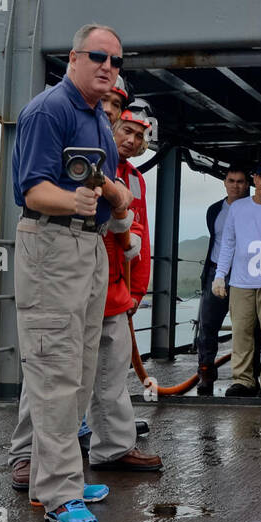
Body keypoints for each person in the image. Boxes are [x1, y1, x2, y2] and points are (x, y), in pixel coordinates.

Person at [8, 22, 134, 522]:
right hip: (53, 244)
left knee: (79, 369)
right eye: (98, 56)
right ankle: (60, 493)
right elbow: (32, 189)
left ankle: (54, 479)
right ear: (73, 59)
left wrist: (113, 192)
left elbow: (99, 178)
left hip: (89, 244)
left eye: (116, 61)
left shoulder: (96, 116)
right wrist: (76, 200)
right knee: (54, 371)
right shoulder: (49, 110)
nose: (108, 67)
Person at [85, 101, 162, 474]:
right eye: (126, 131)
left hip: (116, 286)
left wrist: (137, 291)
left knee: (112, 369)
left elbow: (140, 235)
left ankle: (113, 448)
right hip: (82, 280)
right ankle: (30, 454)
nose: (131, 140)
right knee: (58, 371)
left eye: (139, 135)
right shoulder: (90, 163)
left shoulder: (134, 178)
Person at [212, 160, 261, 397]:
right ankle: (243, 380)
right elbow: (228, 242)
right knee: (241, 332)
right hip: (241, 281)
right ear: (254, 179)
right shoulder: (238, 208)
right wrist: (220, 275)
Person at [196, 165, 249, 394]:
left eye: (240, 181)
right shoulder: (214, 210)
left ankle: (248, 376)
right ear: (225, 183)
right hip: (216, 272)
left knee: (247, 326)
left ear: (247, 185)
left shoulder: (252, 209)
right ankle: (205, 374)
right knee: (208, 325)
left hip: (243, 274)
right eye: (231, 181)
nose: (235, 186)